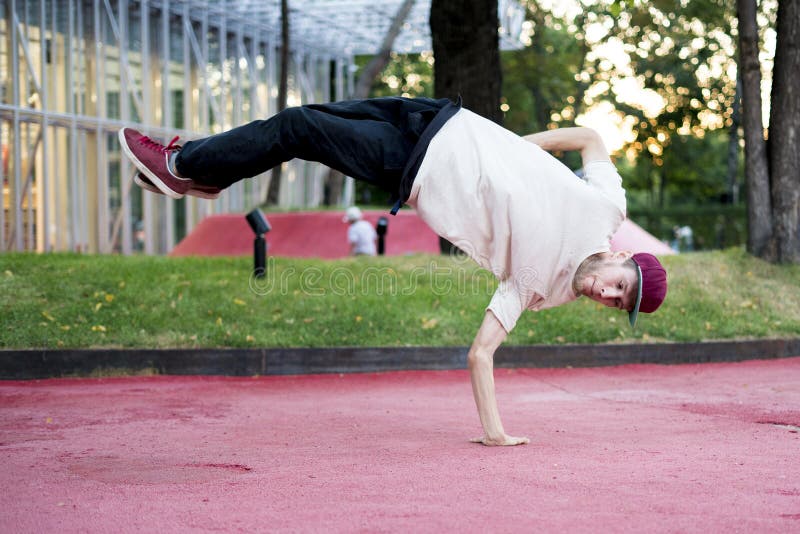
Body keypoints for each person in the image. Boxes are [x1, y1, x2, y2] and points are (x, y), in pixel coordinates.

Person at [118, 96, 668, 446]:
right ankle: (208, 173)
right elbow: (593, 139)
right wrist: (518, 149)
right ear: (623, 258)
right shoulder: (607, 208)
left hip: (419, 169)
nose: (604, 294)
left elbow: (481, 353)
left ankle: (183, 166)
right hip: (440, 119)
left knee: (298, 126)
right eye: (619, 287)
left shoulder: (542, 288)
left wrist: (495, 433)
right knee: (306, 117)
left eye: (615, 304)